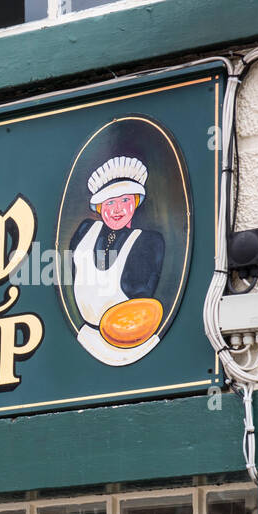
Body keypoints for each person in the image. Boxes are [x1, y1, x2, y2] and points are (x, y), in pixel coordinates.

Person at [69, 155, 166, 365]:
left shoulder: (148, 242)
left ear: (136, 202)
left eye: (125, 200)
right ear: (100, 207)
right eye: (110, 202)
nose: (117, 209)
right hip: (86, 339)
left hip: (132, 347)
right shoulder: (85, 230)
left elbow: (142, 299)